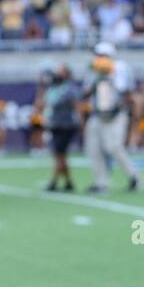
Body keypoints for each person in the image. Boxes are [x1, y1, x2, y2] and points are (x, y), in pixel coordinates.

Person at [83, 42, 141, 194]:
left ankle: (134, 176)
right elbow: (86, 92)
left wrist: (110, 76)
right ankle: (101, 182)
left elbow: (127, 92)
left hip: (116, 114)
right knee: (93, 148)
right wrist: (97, 78)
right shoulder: (92, 70)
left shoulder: (121, 68)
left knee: (113, 146)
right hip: (97, 114)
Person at [44, 64, 80, 192]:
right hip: (56, 124)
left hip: (66, 125)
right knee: (61, 154)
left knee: (60, 154)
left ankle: (54, 181)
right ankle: (69, 182)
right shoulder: (54, 89)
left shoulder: (70, 89)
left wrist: (79, 122)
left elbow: (76, 106)